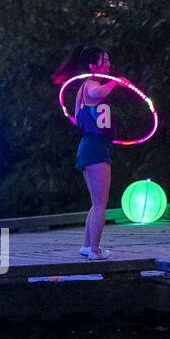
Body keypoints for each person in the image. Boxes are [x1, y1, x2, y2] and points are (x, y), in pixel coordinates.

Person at [52, 45, 120, 260]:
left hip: (91, 147)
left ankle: (87, 246)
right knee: (101, 203)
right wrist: (116, 82)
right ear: (93, 65)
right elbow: (97, 93)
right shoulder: (91, 84)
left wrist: (111, 83)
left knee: (96, 201)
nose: (108, 63)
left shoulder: (85, 85)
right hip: (94, 147)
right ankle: (95, 250)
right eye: (105, 60)